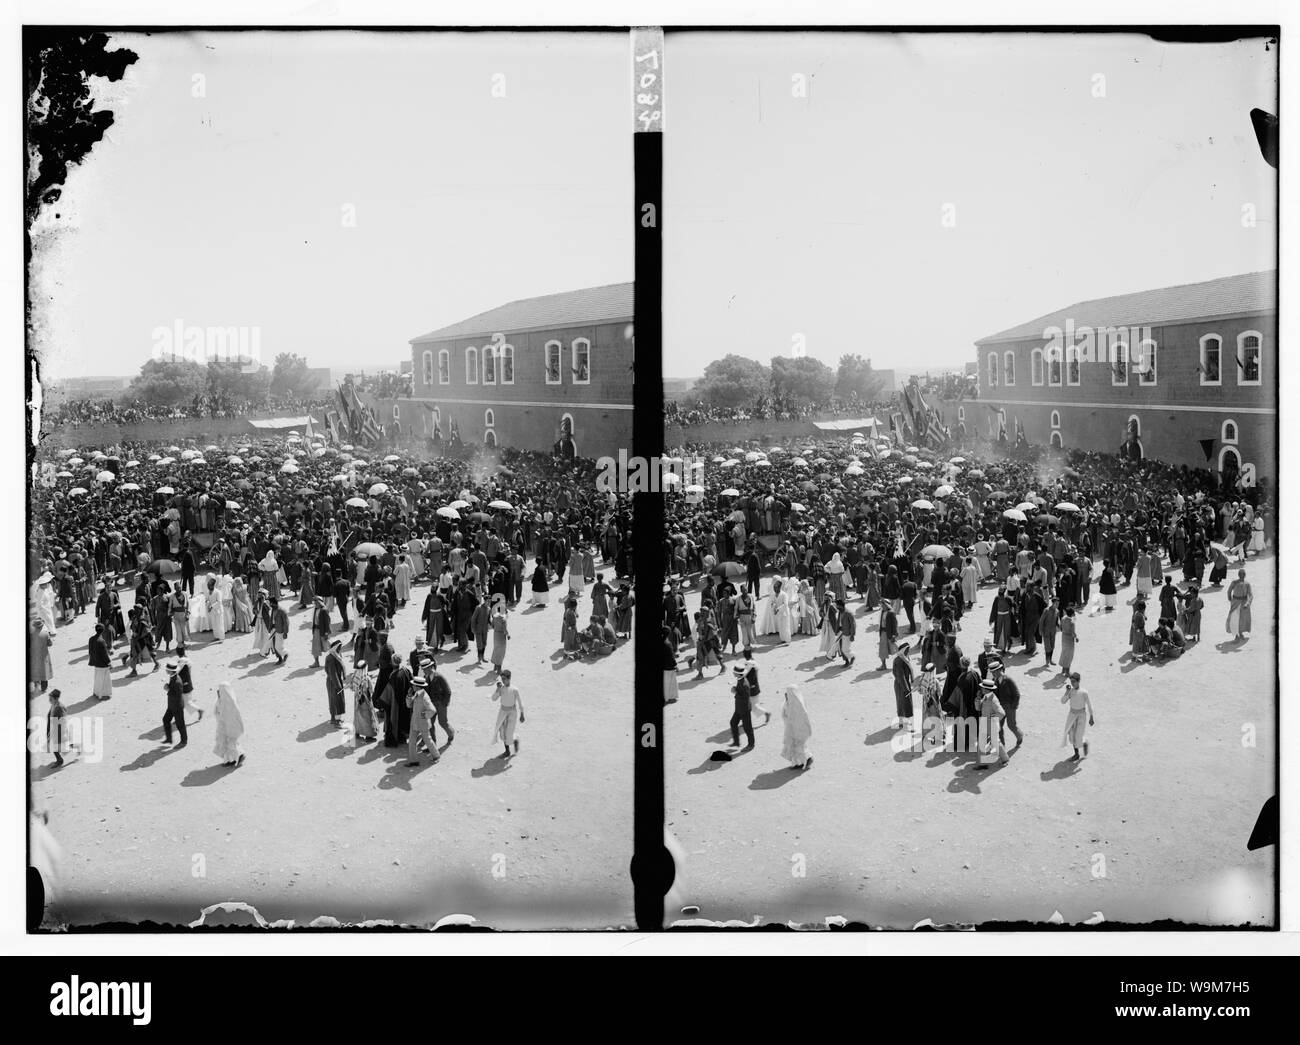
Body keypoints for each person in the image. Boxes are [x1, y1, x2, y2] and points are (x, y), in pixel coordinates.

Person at [990, 659, 1023, 750]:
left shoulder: (1008, 680)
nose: (993, 674)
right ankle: (1002, 748)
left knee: (1011, 725)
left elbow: (1016, 694)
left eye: (994, 672)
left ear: (998, 670)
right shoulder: (994, 680)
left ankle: (1019, 736)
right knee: (999, 727)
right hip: (1000, 708)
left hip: (1009, 707)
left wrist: (1013, 707)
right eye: (992, 672)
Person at [975, 678, 1009, 768]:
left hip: (991, 724)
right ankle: (983, 764)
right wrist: (978, 699)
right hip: (984, 723)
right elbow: (978, 708)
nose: (981, 689)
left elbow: (1002, 713)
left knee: (996, 742)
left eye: (982, 688)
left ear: (986, 689)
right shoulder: (986, 697)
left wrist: (992, 719)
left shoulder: (993, 699)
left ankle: (1005, 759)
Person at [405, 676, 439, 767]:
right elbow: (409, 705)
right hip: (414, 722)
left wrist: (423, 716)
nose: (412, 686)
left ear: (417, 686)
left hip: (422, 723)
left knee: (428, 740)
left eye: (413, 685)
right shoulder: (416, 693)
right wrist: (408, 696)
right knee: (412, 741)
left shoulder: (424, 697)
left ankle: (436, 756)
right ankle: (413, 761)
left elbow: (432, 710)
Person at [1061, 671, 1094, 761]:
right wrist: (1066, 692)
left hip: (1081, 716)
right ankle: (1076, 754)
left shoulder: (1084, 692)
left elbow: (1089, 704)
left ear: (1079, 681)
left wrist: (1091, 716)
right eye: (1071, 682)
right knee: (1071, 735)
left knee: (1078, 736)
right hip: (1071, 715)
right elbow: (1063, 701)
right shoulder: (1070, 692)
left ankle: (1084, 744)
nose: (1073, 683)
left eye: (1074, 681)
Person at [491, 669, 524, 758]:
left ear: (509, 678)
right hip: (502, 712)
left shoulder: (515, 690)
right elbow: (493, 698)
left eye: (505, 679)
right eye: (502, 679)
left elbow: (520, 702)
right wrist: (497, 689)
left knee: (508, 733)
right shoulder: (501, 689)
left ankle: (515, 739)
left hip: (512, 713)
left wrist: (522, 713)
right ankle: (507, 751)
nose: (503, 681)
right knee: (502, 732)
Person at [212, 682, 246, 767]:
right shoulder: (220, 700)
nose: (217, 692)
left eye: (220, 690)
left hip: (230, 728)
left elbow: (233, 718)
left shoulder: (230, 705)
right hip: (223, 727)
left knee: (230, 744)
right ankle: (230, 760)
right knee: (225, 744)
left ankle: (238, 757)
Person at [780, 685, 813, 770]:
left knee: (798, 746)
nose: (785, 695)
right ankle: (798, 762)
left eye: (787, 693)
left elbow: (800, 719)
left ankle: (806, 760)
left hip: (797, 730)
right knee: (794, 746)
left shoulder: (797, 706)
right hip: (790, 728)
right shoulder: (788, 702)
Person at [729, 664, 756, 750]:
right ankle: (736, 742)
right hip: (739, 708)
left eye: (734, 672)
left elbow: (745, 697)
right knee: (733, 723)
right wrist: (736, 689)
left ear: (737, 673)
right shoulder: (740, 680)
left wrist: (735, 692)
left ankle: (751, 744)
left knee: (747, 728)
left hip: (744, 709)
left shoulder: (744, 684)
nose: (733, 673)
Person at [161, 662, 188, 748]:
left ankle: (184, 741)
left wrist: (168, 689)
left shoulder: (177, 681)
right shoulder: (173, 677)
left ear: (170, 671)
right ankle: (169, 738)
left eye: (167, 669)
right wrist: (169, 687)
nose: (166, 670)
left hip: (177, 706)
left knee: (180, 724)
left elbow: (177, 695)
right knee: (166, 720)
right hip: (172, 705)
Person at [892, 640, 914, 730]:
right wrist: (906, 688)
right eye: (907, 650)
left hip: (904, 683)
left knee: (902, 703)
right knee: (904, 703)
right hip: (901, 685)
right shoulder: (899, 661)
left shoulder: (905, 658)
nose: (908, 651)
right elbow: (900, 675)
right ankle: (904, 723)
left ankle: (902, 722)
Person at [324, 637, 347, 726]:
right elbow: (332, 673)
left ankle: (335, 718)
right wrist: (338, 685)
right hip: (333, 683)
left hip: (337, 681)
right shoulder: (331, 658)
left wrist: (343, 677)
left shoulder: (337, 655)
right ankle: (335, 720)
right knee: (335, 701)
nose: (340, 648)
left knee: (337, 700)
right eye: (339, 646)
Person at [1226, 569, 1253, 640]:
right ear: (1238, 575)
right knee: (1234, 618)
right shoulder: (1234, 582)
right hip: (1235, 602)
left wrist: (1247, 603)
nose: (1242, 575)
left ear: (1245, 575)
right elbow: (1229, 590)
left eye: (1243, 574)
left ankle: (1240, 632)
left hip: (1244, 603)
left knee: (1242, 619)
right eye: (1240, 574)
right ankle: (1236, 635)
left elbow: (1250, 595)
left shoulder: (1247, 584)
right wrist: (1230, 598)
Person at [88, 623, 113, 701]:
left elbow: (90, 651)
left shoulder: (91, 639)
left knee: (97, 679)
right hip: (103, 664)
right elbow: (104, 655)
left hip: (96, 662)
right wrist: (109, 663)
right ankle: (102, 695)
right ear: (103, 631)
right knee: (104, 680)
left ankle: (96, 692)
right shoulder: (101, 641)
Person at [29, 619, 53, 694]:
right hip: (44, 655)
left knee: (35, 669)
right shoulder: (45, 634)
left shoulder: (31, 634)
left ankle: (36, 684)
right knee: (44, 670)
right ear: (42, 626)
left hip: (34, 655)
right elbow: (50, 644)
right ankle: (44, 687)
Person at [46, 689, 68, 767]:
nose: (49, 700)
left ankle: (59, 760)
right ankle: (75, 747)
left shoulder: (59, 707)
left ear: (56, 698)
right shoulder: (54, 704)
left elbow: (61, 720)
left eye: (51, 698)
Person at [1059, 604, 1078, 674]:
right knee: (1069, 655)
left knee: (1064, 653)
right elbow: (1073, 632)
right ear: (1072, 614)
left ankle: (1063, 670)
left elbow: (1060, 628)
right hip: (1069, 639)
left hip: (1063, 638)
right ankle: (1067, 672)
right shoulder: (1072, 621)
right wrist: (1076, 638)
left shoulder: (1063, 618)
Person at [663, 626, 679, 704]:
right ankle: (669, 698)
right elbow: (671, 656)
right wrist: (675, 665)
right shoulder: (668, 644)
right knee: (670, 683)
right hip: (669, 667)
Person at [270, 598, 289, 664]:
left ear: (275, 603)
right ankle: (280, 658)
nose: (270, 605)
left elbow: (286, 622)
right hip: (273, 630)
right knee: (275, 645)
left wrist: (285, 632)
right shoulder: (273, 609)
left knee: (277, 646)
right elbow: (272, 619)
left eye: (271, 604)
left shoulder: (282, 611)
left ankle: (285, 653)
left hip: (280, 631)